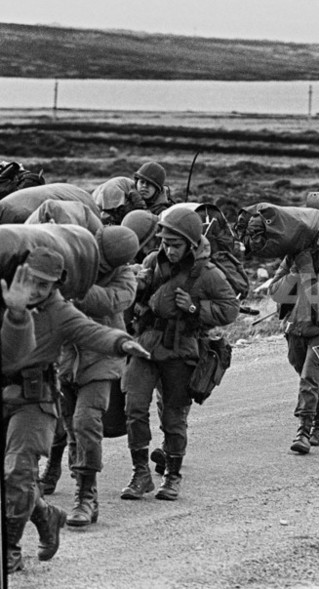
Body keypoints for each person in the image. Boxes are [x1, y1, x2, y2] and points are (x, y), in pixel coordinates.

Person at [2, 250, 149, 572]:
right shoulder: (6, 297)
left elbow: (92, 331)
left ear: (57, 285)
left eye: (46, 284)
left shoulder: (59, 311)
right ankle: (44, 514)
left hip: (34, 399)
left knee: (18, 471)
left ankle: (10, 549)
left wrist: (122, 343)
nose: (38, 290)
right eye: (33, 281)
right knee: (14, 479)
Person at [121, 207, 239, 501]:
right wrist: (138, 287)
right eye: (165, 243)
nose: (169, 250)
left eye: (176, 245)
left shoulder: (206, 273)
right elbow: (131, 298)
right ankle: (140, 474)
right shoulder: (151, 261)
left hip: (181, 349)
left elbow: (230, 309)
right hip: (145, 344)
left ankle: (172, 476)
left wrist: (194, 308)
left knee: (173, 417)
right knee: (134, 406)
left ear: (191, 244)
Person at [52, 227, 140, 528]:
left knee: (86, 423)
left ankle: (86, 495)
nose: (98, 267)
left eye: (105, 266)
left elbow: (109, 302)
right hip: (65, 358)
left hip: (101, 360)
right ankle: (78, 484)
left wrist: (74, 283)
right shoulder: (73, 258)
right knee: (70, 428)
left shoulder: (126, 278)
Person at [268, 220, 319, 453]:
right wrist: (294, 270)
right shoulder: (298, 256)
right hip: (296, 327)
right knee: (307, 377)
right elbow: (276, 293)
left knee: (309, 377)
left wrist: (305, 270)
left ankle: (303, 430)